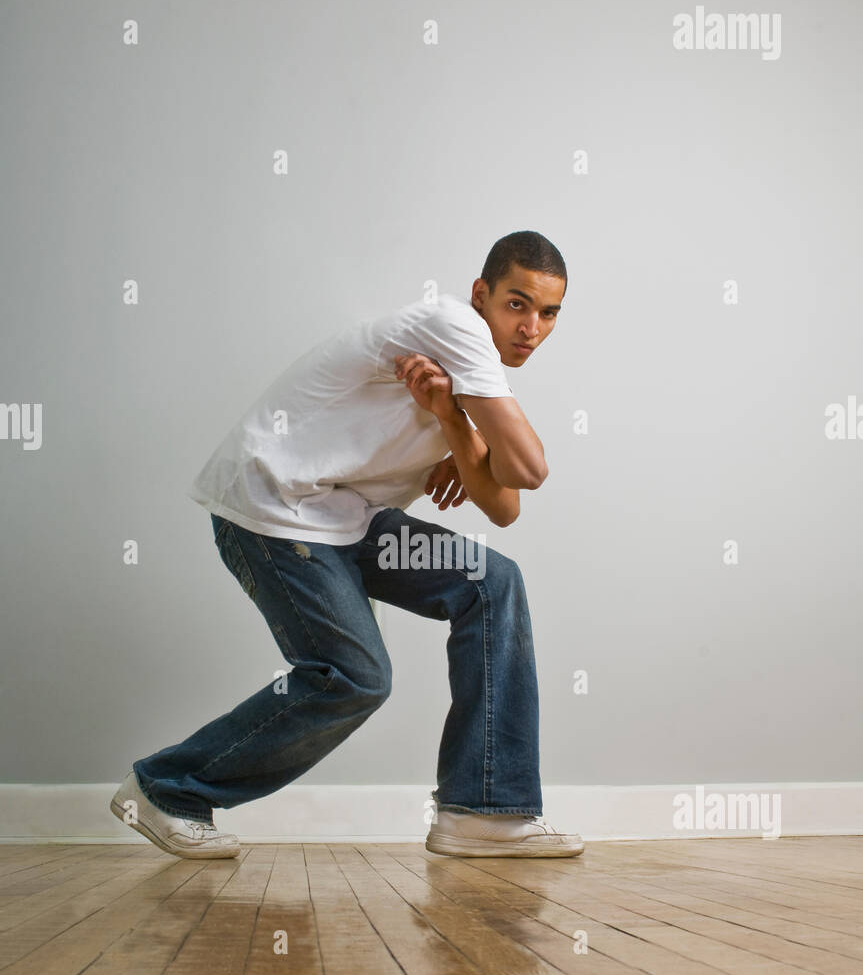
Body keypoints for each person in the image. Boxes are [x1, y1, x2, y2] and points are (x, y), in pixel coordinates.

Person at [110, 230, 584, 860]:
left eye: (547, 312)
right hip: (275, 509)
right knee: (355, 676)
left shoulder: (473, 384)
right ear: (481, 295)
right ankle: (165, 787)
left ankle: (484, 809)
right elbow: (528, 470)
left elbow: (503, 507)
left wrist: (451, 421)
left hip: (350, 520)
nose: (530, 327)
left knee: (491, 583)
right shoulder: (455, 325)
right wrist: (471, 437)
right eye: (516, 304)